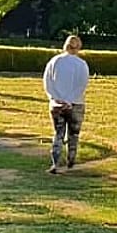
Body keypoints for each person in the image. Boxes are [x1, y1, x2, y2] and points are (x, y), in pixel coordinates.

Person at [43, 35, 90, 174]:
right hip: (76, 104)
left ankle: (55, 163)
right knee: (73, 134)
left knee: (58, 133)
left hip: (57, 104)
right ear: (79, 47)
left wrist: (56, 98)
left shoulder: (54, 61)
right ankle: (71, 161)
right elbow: (82, 85)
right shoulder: (82, 64)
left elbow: (47, 82)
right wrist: (69, 100)